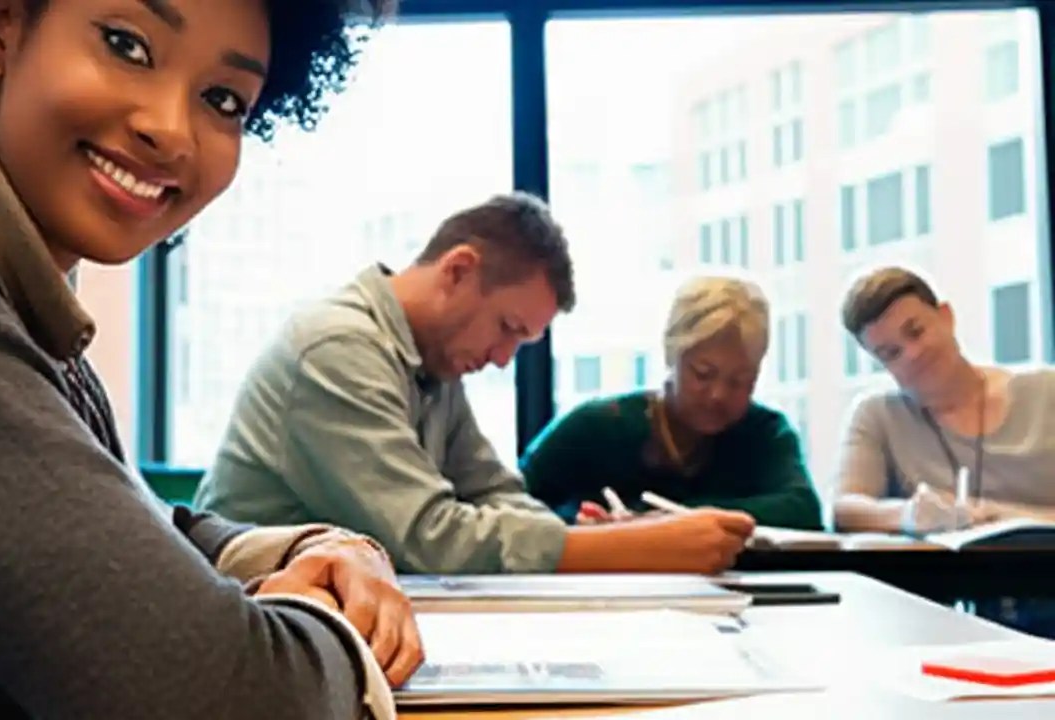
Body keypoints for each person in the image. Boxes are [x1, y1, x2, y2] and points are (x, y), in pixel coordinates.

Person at [0, 0, 424, 717]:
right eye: (127, 45)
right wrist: (336, 632)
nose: (170, 128)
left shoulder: (23, 310)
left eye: (222, 99)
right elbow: (229, 697)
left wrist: (321, 550)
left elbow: (137, 528)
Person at [194, 193, 756, 576]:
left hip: (339, 609)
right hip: (257, 623)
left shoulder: (433, 362)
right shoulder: (337, 349)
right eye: (508, 329)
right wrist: (629, 550)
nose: (503, 359)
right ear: (458, 271)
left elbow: (492, 491)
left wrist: (600, 541)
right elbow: (429, 539)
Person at [520, 276, 823, 530]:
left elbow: (803, 510)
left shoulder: (764, 433)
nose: (718, 394)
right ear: (671, 354)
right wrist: (576, 524)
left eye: (739, 381)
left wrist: (677, 518)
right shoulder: (597, 426)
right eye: (703, 374)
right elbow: (512, 506)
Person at [833, 266, 1055, 535]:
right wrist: (907, 515)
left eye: (916, 332)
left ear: (946, 317)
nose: (912, 354)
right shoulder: (878, 415)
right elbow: (844, 509)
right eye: (891, 353)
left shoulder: (1046, 391)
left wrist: (996, 515)